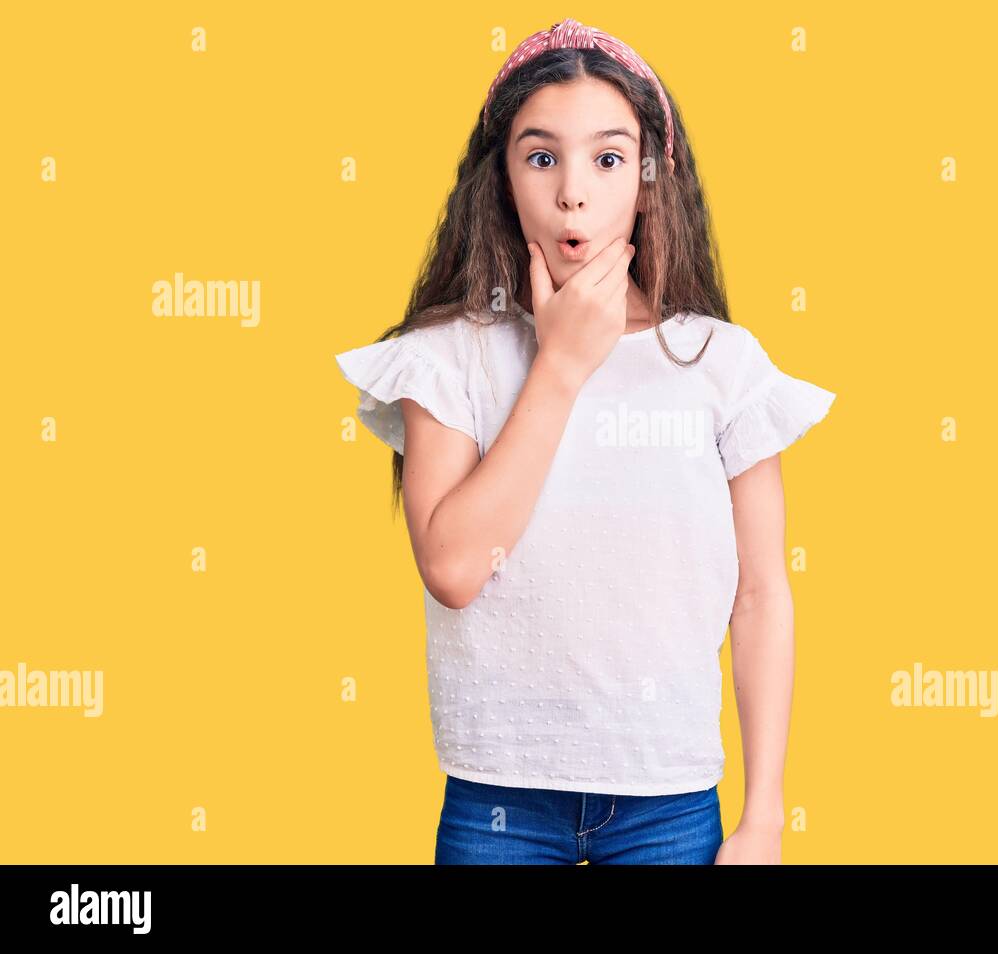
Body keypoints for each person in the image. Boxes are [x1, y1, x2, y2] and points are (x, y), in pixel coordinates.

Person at [334, 18, 836, 864]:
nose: (573, 193)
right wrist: (561, 366)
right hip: (499, 799)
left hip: (670, 803)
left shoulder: (721, 364)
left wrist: (765, 818)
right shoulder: (448, 357)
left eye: (607, 159)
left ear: (649, 181)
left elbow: (760, 601)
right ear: (502, 179)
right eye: (541, 157)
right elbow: (454, 568)